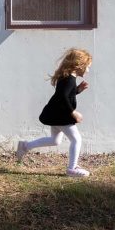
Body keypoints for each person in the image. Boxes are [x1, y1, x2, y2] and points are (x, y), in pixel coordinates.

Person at [15, 48, 92, 178]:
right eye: (87, 67)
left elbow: (66, 95)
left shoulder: (68, 78)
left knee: (55, 141)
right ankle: (72, 168)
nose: (88, 70)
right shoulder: (69, 80)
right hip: (62, 116)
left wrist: (78, 90)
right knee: (76, 139)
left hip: (56, 114)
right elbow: (63, 97)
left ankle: (25, 146)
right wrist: (73, 113)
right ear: (79, 65)